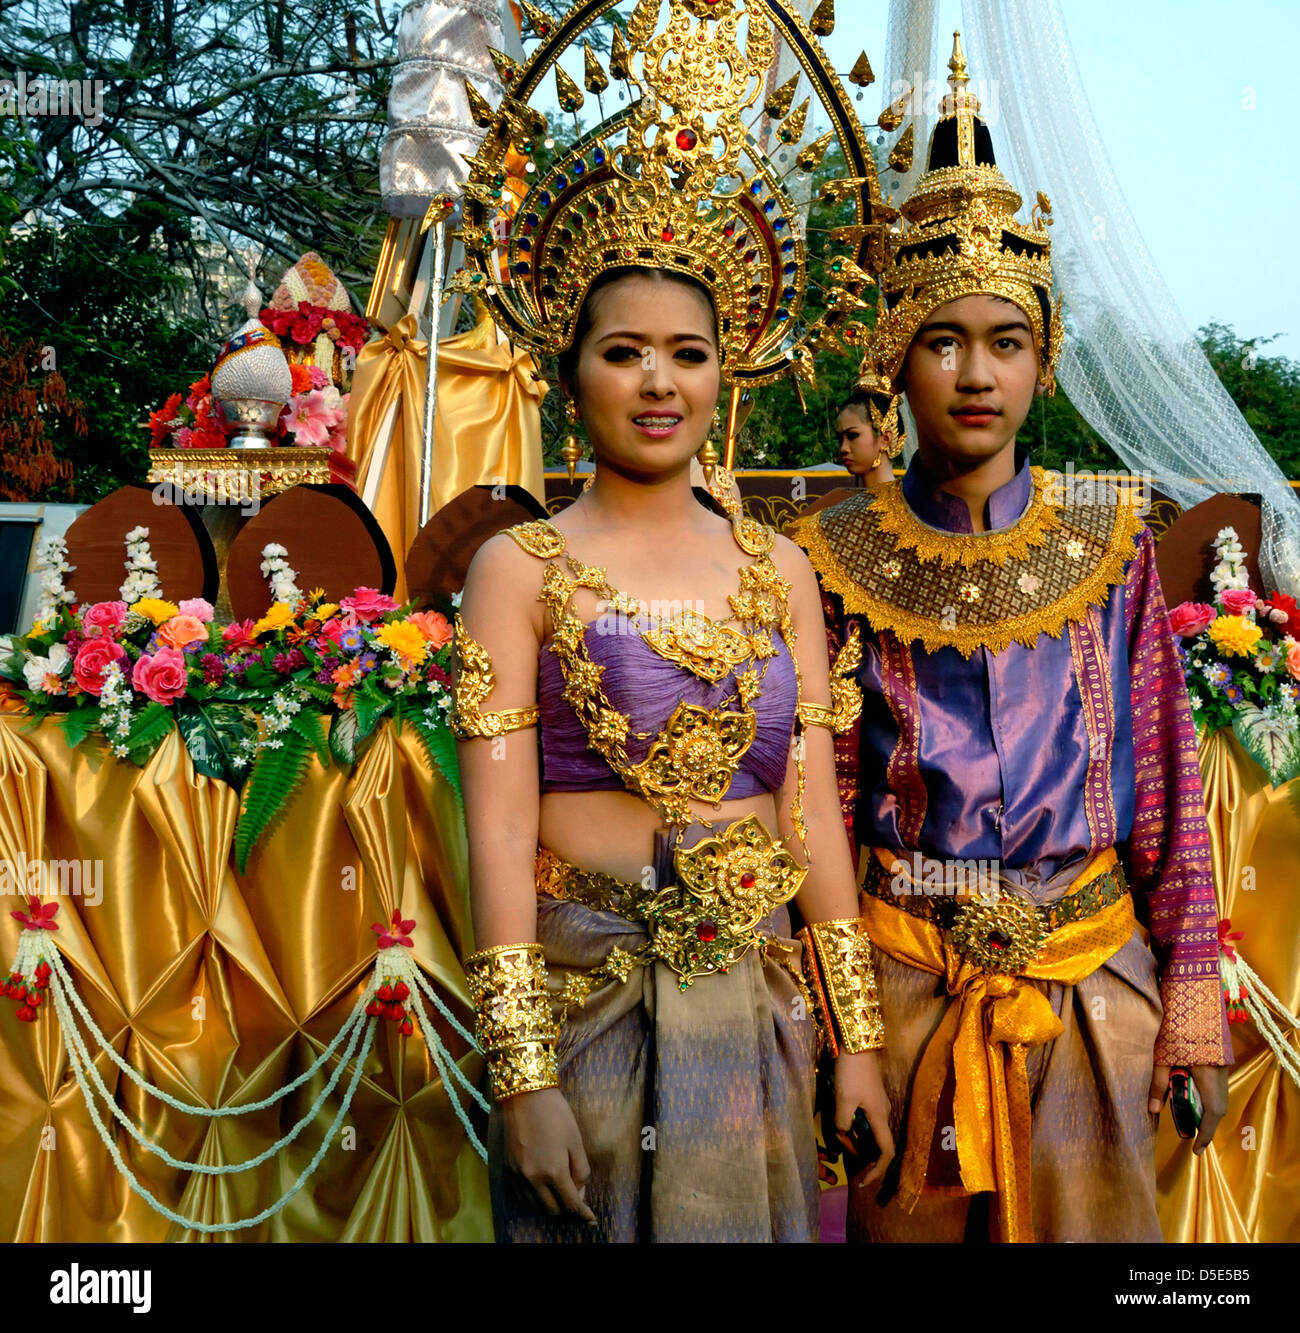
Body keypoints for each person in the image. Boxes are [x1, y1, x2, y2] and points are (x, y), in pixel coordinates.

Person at [447, 0, 897, 1243]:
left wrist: (854, 1041)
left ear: (726, 371)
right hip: (586, 1005)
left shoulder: (779, 569)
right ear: (566, 366)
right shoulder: (515, 567)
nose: (659, 382)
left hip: (751, 1003)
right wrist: (522, 1073)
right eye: (625, 351)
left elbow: (811, 811)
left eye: (688, 354)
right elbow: (495, 831)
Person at [788, 34, 1231, 1244]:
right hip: (903, 978)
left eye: (1007, 340)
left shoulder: (1108, 535)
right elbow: (814, 805)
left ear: (1042, 358)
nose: (974, 373)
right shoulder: (829, 553)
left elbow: (1164, 786)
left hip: (1092, 981)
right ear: (895, 356)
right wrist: (844, 1036)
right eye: (942, 340)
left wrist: (1189, 1007)